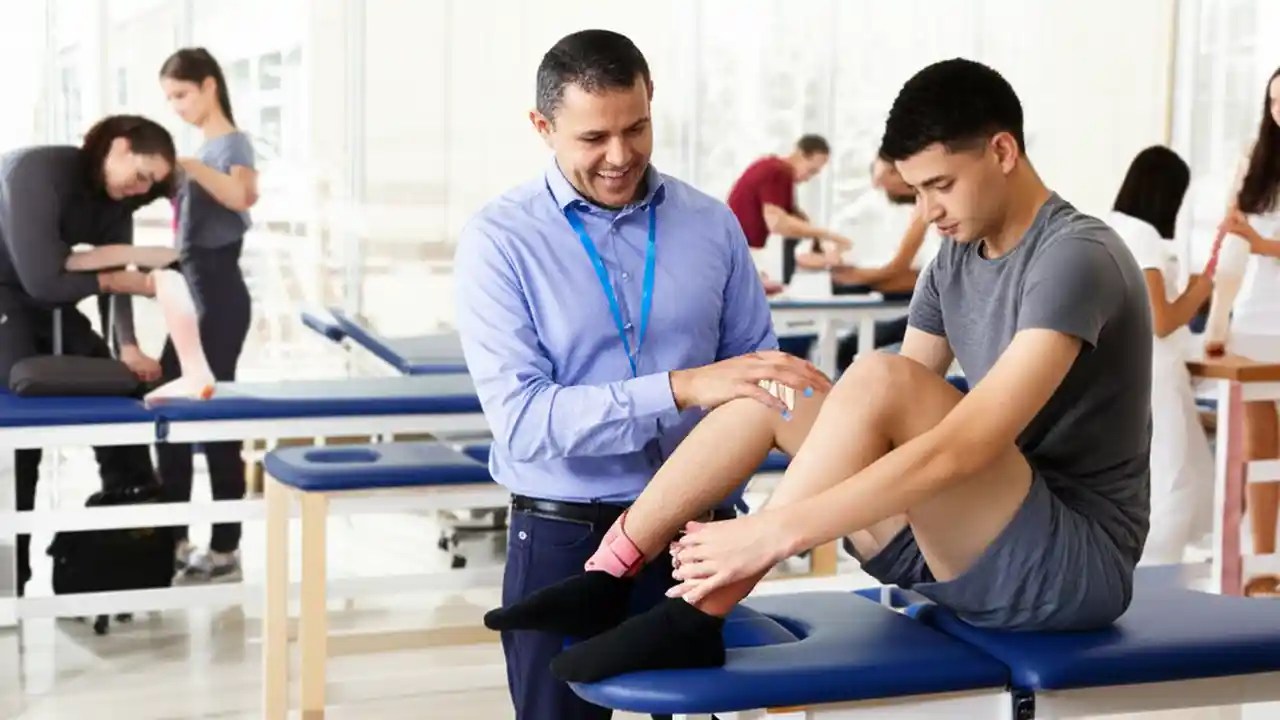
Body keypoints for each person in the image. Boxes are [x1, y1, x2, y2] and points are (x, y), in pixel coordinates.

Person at [484, 58, 1154, 684]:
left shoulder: (1076, 256)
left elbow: (964, 444)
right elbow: (885, 423)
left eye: (940, 186)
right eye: (917, 191)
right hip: (959, 546)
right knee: (774, 388)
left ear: (1003, 152)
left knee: (878, 375)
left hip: (1067, 569)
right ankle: (610, 572)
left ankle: (698, 614)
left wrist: (768, 533)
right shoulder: (956, 257)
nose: (928, 213)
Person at [455, 29, 828, 720]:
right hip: (565, 538)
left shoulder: (712, 227)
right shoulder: (498, 242)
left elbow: (763, 385)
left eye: (637, 127)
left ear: (652, 99)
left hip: (697, 538)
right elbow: (525, 422)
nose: (620, 155)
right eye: (593, 137)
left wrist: (729, 509)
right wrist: (682, 387)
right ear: (543, 127)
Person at [0, 114, 178, 596]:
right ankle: (11, 581)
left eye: (153, 185)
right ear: (117, 147)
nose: (142, 188)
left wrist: (127, 346)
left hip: (50, 296)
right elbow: (42, 279)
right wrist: (116, 278)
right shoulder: (35, 174)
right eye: (141, 173)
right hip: (7, 295)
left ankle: (126, 547)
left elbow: (113, 269)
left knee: (120, 385)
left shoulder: (121, 197)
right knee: (24, 410)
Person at [157, 47, 259, 584]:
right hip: (192, 290)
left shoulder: (228, 144)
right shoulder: (203, 148)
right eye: (169, 98)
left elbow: (245, 193)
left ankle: (224, 550)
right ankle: (172, 539)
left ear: (209, 86)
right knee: (166, 409)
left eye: (181, 94)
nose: (175, 106)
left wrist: (191, 166)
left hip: (218, 294)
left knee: (214, 420)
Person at [1107, 146, 1218, 566]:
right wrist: (1202, 287)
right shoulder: (1143, 236)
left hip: (1123, 375)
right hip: (1154, 376)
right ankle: (1161, 570)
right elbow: (1162, 320)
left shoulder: (1109, 225)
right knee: (1172, 479)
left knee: (1170, 472)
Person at [1215, 66, 1280, 596]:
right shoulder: (1257, 165)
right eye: (1275, 102)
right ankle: (1264, 565)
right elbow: (1232, 247)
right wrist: (1217, 323)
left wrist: (1260, 244)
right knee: (1262, 452)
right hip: (1255, 321)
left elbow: (1254, 242)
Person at [727, 134, 853, 279]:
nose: (807, 178)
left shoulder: (773, 172)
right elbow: (777, 223)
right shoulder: (779, 171)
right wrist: (828, 235)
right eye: (811, 171)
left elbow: (795, 222)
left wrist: (822, 244)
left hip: (740, 251)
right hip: (741, 253)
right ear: (799, 154)